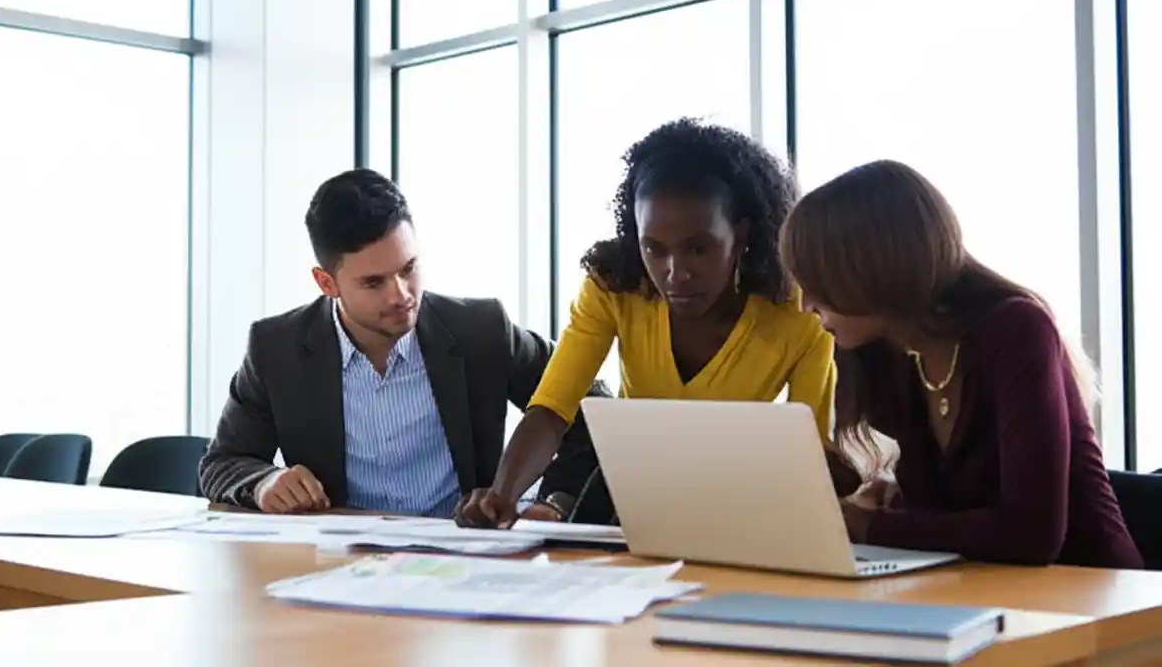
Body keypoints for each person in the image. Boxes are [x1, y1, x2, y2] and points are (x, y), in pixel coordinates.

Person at [456, 118, 848, 528]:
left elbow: (808, 453)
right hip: (629, 498)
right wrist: (501, 494)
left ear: (741, 234)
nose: (675, 273)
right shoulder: (613, 288)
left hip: (741, 504)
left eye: (698, 248)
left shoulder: (800, 314)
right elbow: (552, 410)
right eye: (654, 249)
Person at [780, 159, 1143, 568]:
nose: (807, 304)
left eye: (819, 283)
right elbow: (952, 519)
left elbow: (1031, 536)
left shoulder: (1016, 328)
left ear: (874, 269)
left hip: (1097, 599)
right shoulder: (885, 353)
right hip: (981, 591)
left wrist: (870, 526)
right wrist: (895, 504)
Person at [199, 168, 606, 517]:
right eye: (373, 282)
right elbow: (221, 463)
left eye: (408, 268)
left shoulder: (480, 330)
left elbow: (594, 410)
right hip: (339, 566)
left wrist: (556, 500)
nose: (401, 295)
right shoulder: (276, 350)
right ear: (327, 283)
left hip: (466, 560)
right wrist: (265, 483)